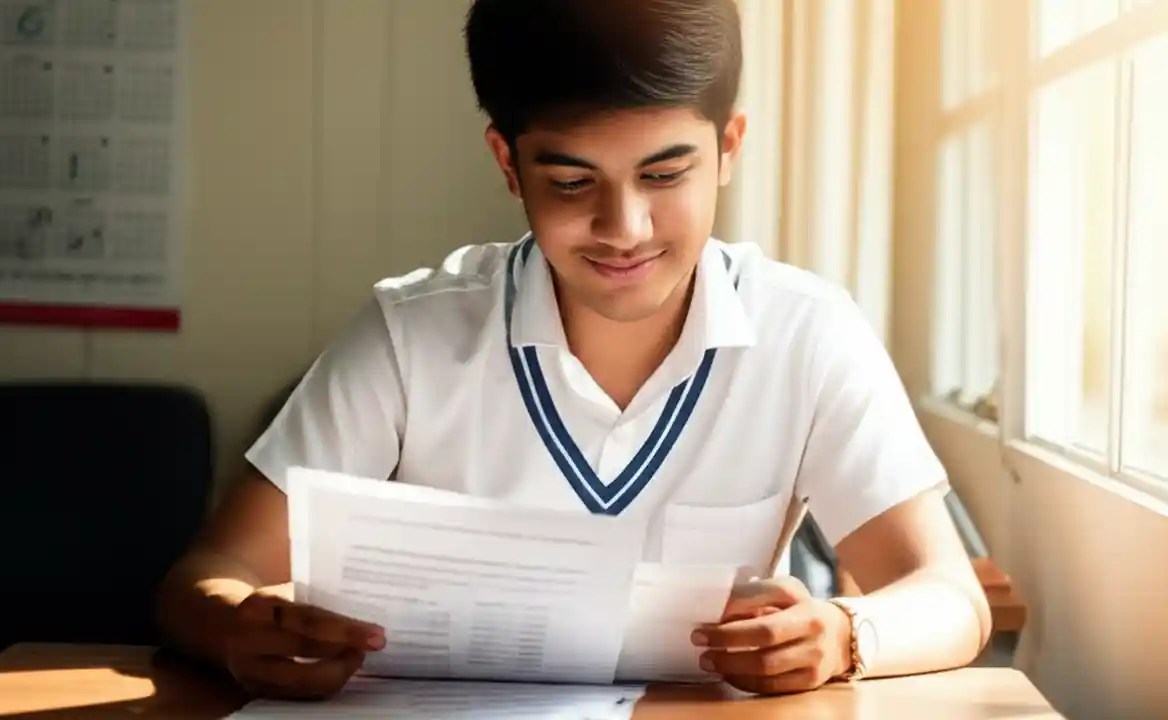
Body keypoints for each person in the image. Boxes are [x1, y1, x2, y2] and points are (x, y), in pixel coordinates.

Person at [157, 0, 990, 700]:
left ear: (729, 147)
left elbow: (951, 595)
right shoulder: (411, 335)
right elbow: (209, 573)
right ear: (508, 164)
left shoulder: (807, 333)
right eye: (570, 182)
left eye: (666, 176)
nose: (624, 229)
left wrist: (845, 633)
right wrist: (237, 627)